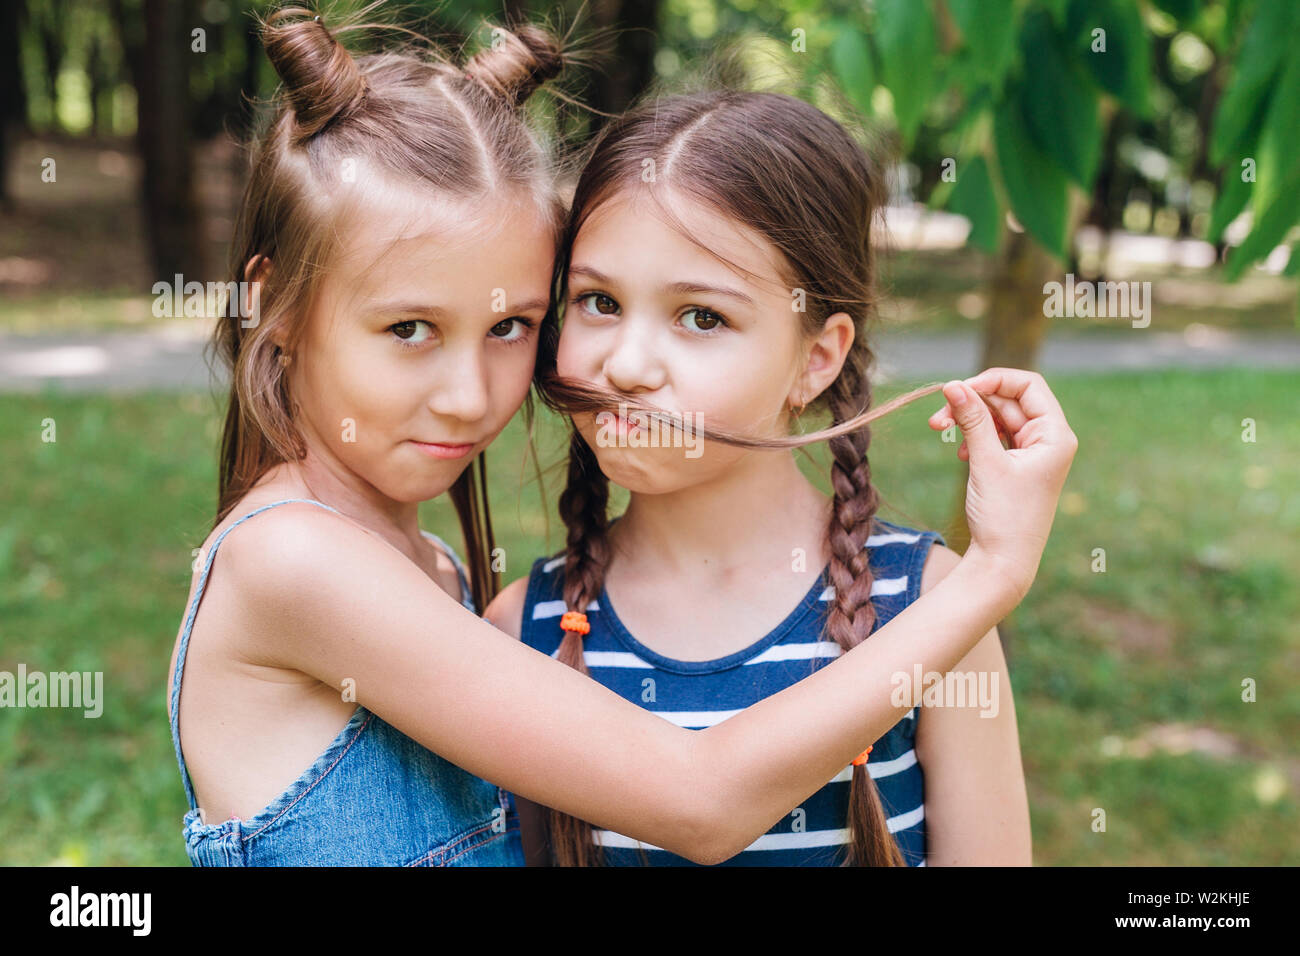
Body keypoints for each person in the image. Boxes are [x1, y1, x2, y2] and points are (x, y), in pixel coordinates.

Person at [168, 7, 1077, 866]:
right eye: (409, 329)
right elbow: (700, 799)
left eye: (513, 324)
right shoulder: (312, 566)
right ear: (275, 309)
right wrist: (996, 574)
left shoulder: (436, 573)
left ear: (818, 356)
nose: (467, 395)